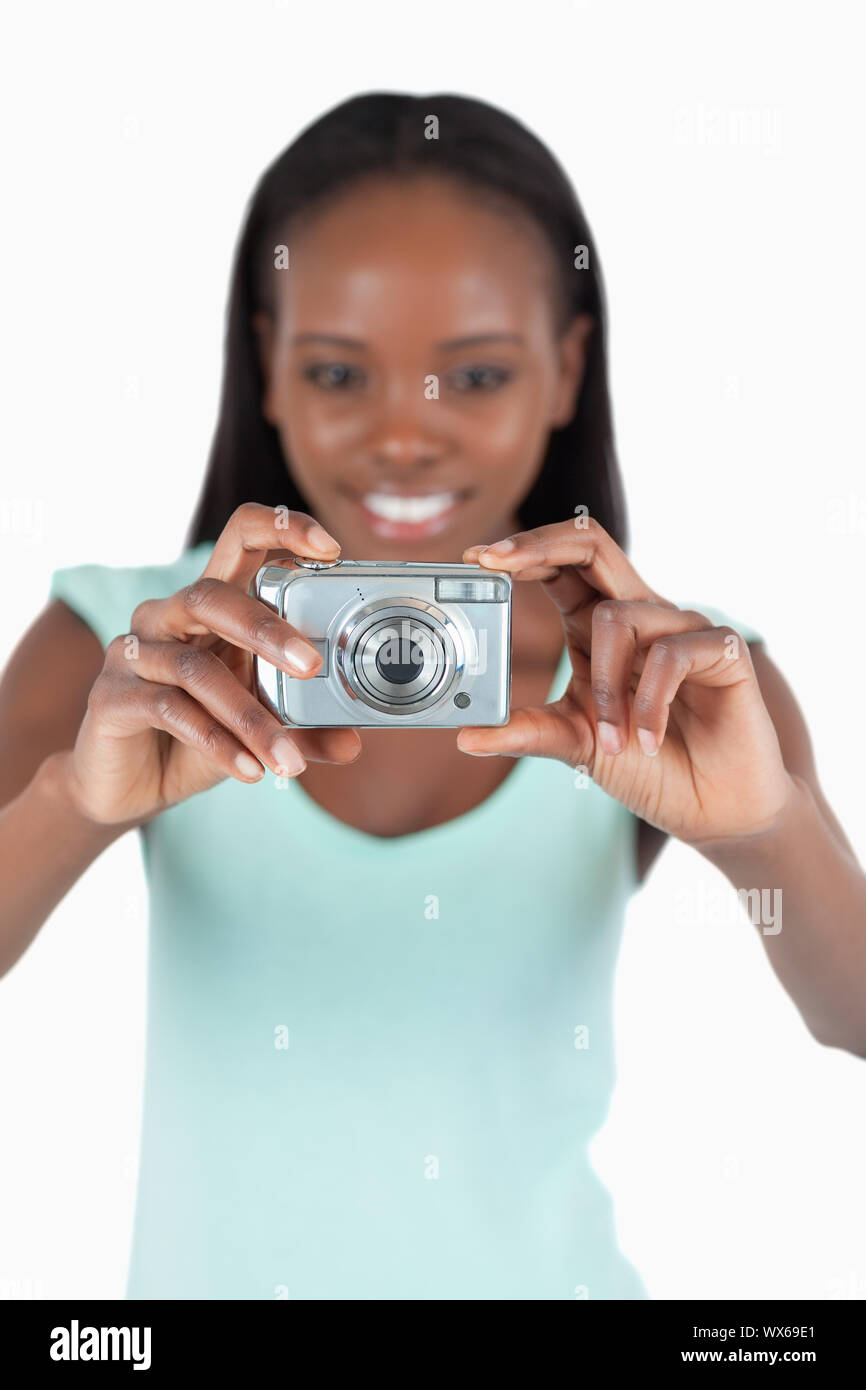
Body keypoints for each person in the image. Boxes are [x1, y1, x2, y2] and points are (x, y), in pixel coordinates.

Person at [1, 92, 863, 1301]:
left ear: (566, 369)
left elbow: (852, 1017)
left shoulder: (676, 678)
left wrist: (759, 836)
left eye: (474, 372)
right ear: (268, 366)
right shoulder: (128, 652)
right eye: (340, 369)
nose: (405, 436)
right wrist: (73, 803)